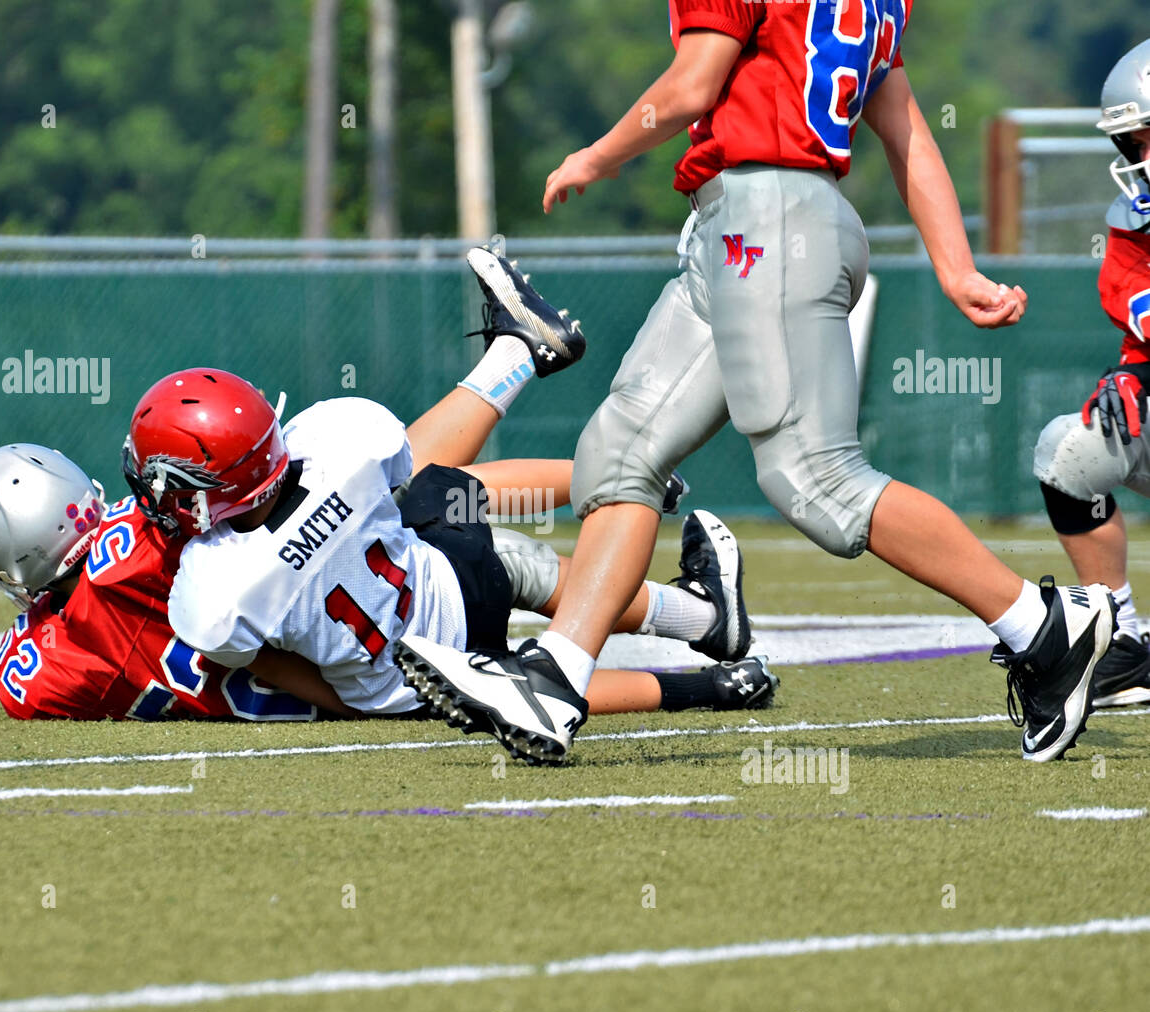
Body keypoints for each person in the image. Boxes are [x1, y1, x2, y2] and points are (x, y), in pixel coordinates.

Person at [393, 0, 1115, 766]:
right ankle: (558, 678)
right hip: (745, 225)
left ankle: (1042, 627)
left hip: (765, 223)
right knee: (621, 453)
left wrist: (595, 157)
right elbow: (906, 131)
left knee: (819, 478)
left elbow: (691, 87)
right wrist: (956, 267)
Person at [0, 250, 775, 721]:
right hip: (444, 575)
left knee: (529, 668)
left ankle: (713, 677)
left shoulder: (181, 600)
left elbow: (263, 665)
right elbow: (392, 474)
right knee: (439, 492)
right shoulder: (330, 437)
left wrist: (352, 704)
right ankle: (604, 455)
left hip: (389, 670)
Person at [1032, 38, 1150, 709]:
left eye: (1144, 138)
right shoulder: (1134, 231)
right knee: (1068, 451)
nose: (1137, 160)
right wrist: (1134, 376)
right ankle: (1124, 647)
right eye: (1131, 144)